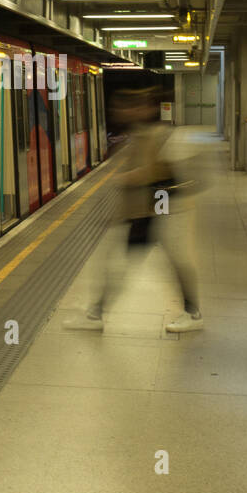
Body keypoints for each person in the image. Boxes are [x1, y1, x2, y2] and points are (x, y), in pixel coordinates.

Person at [71, 87, 203, 333]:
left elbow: (155, 172)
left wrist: (124, 179)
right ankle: (96, 314)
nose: (122, 112)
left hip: (160, 210)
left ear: (146, 109)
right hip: (146, 213)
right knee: (124, 262)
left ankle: (193, 313)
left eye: (129, 107)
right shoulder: (139, 135)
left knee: (169, 261)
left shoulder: (159, 135)